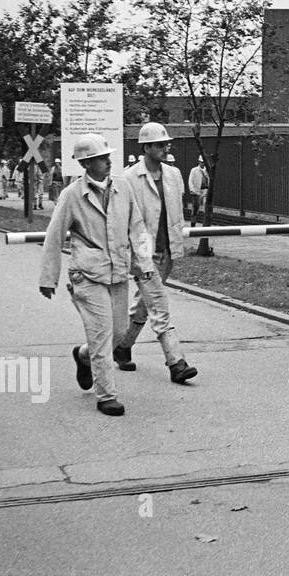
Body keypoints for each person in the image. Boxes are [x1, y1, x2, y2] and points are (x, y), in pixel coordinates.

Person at [39, 132, 154, 417]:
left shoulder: (123, 188)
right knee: (102, 335)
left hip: (118, 272)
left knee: (119, 332)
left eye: (107, 156)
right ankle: (107, 395)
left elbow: (138, 228)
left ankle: (82, 356)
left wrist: (145, 263)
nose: (107, 162)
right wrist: (48, 277)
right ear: (86, 164)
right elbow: (54, 237)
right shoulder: (72, 195)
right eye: (100, 158)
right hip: (87, 274)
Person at [115, 122, 198, 384]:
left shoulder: (173, 175)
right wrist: (133, 258)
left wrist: (176, 246)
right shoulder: (129, 178)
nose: (165, 147)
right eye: (160, 144)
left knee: (144, 305)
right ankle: (176, 362)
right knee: (159, 307)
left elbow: (176, 214)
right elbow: (124, 220)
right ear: (146, 147)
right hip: (143, 255)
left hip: (167, 252)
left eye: (166, 143)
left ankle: (122, 347)